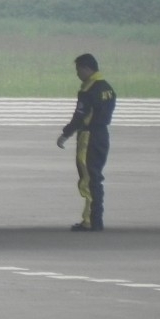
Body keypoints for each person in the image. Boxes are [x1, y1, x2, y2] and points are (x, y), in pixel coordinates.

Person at [56, 53, 116, 232]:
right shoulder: (107, 88)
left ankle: (91, 220)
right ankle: (95, 218)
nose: (77, 74)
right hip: (103, 135)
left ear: (86, 68)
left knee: (88, 179)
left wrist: (65, 134)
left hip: (89, 137)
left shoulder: (88, 90)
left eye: (78, 70)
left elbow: (80, 116)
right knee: (95, 176)